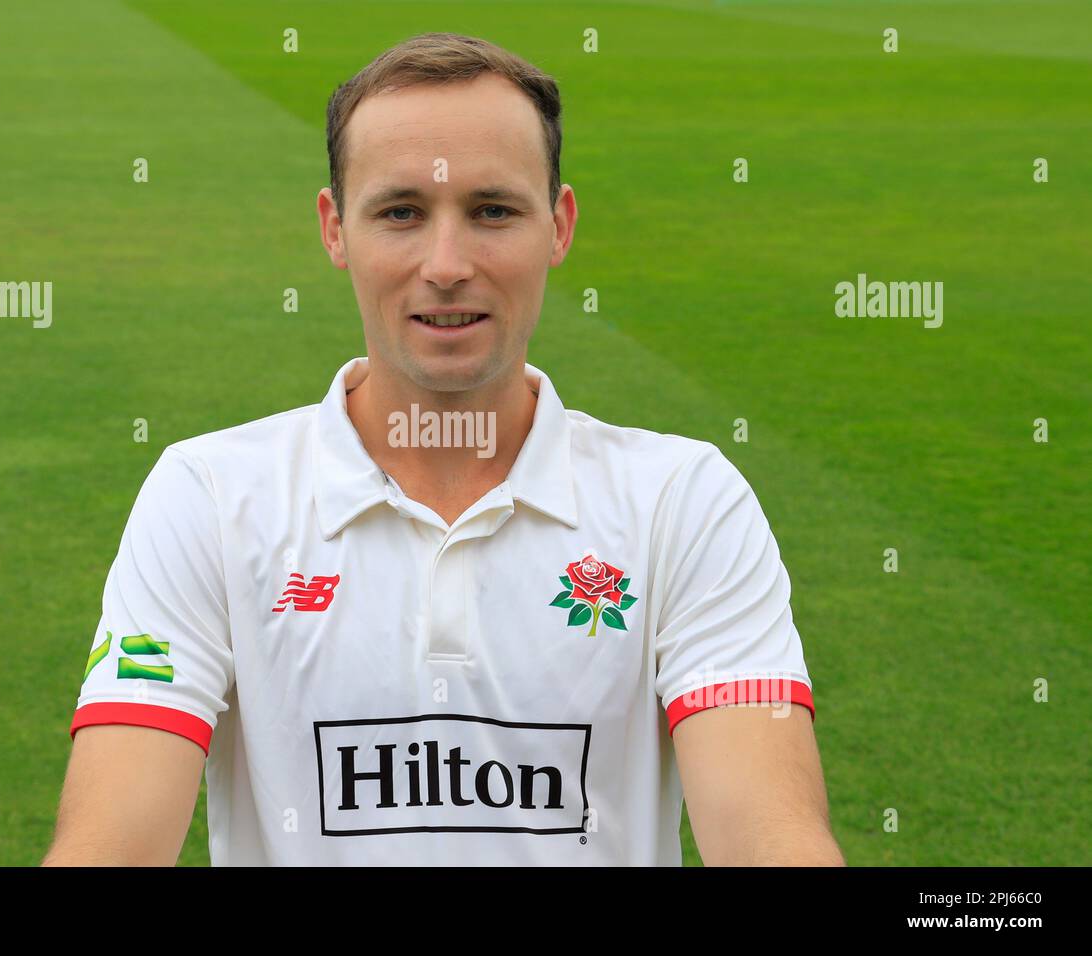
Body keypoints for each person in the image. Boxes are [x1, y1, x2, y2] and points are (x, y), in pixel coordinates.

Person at [43, 32, 844, 866]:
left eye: (493, 210)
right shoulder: (208, 496)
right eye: (401, 213)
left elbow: (769, 837)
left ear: (559, 225)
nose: (447, 265)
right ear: (334, 229)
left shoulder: (683, 500)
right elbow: (112, 845)